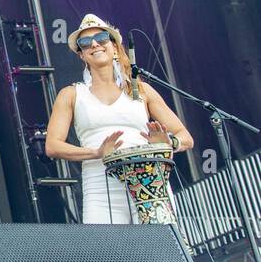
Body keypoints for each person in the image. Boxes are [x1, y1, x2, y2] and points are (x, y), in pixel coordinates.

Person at [44, 13, 193, 223]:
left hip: (148, 180)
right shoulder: (71, 94)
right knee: (108, 253)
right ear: (82, 55)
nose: (94, 44)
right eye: (85, 43)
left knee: (160, 250)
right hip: (100, 186)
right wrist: (97, 152)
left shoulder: (142, 90)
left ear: (114, 46)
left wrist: (168, 143)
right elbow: (53, 146)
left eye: (102, 38)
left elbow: (185, 137)